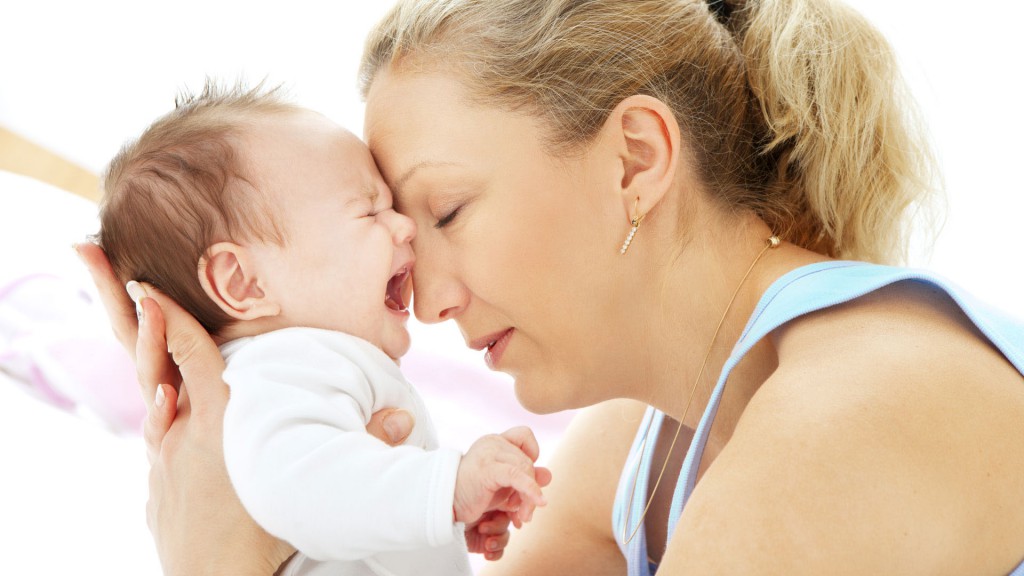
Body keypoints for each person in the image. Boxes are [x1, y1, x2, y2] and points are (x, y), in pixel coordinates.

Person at [79, 0, 1024, 574]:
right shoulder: (640, 444)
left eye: (446, 213)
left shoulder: (854, 413)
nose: (427, 297)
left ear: (636, 159)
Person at [92, 83, 548, 576]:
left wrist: (446, 519)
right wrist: (448, 487)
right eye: (370, 211)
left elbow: (343, 502)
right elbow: (301, 487)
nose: (406, 227)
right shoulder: (279, 367)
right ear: (243, 282)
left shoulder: (296, 368)